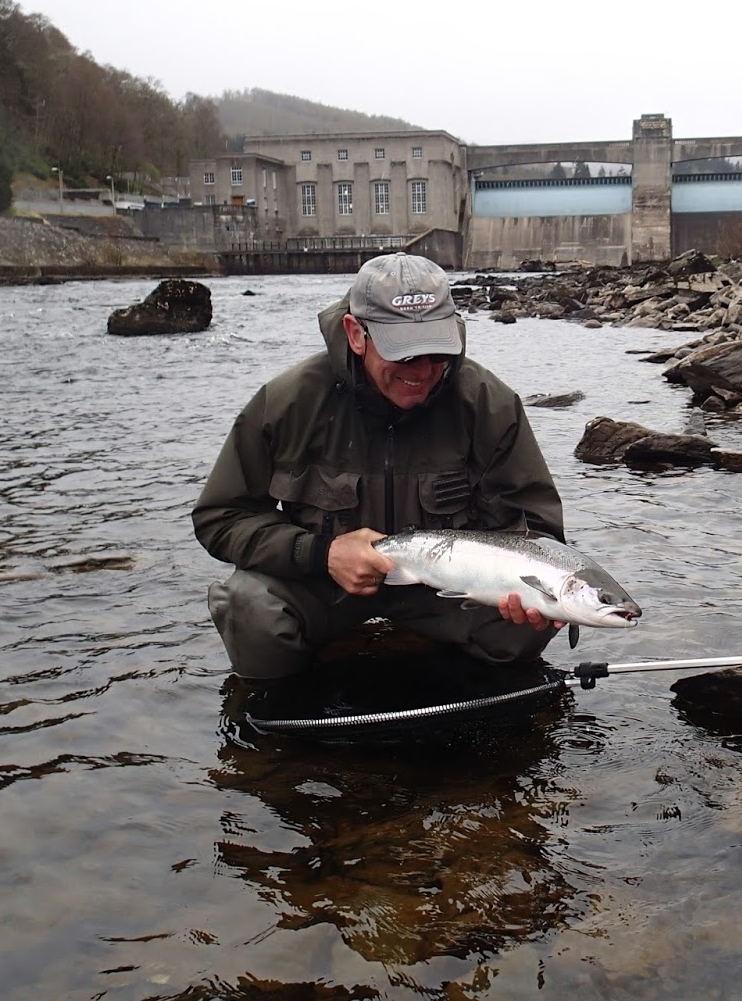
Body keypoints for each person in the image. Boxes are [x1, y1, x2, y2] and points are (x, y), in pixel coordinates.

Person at [192, 252, 565, 682]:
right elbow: (219, 517)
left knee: (525, 630)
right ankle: (284, 732)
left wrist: (534, 591)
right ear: (355, 334)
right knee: (248, 608)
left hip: (446, 590)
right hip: (325, 582)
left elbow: (539, 531)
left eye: (436, 352)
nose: (422, 372)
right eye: (404, 355)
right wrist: (321, 553)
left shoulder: (488, 405)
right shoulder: (288, 403)